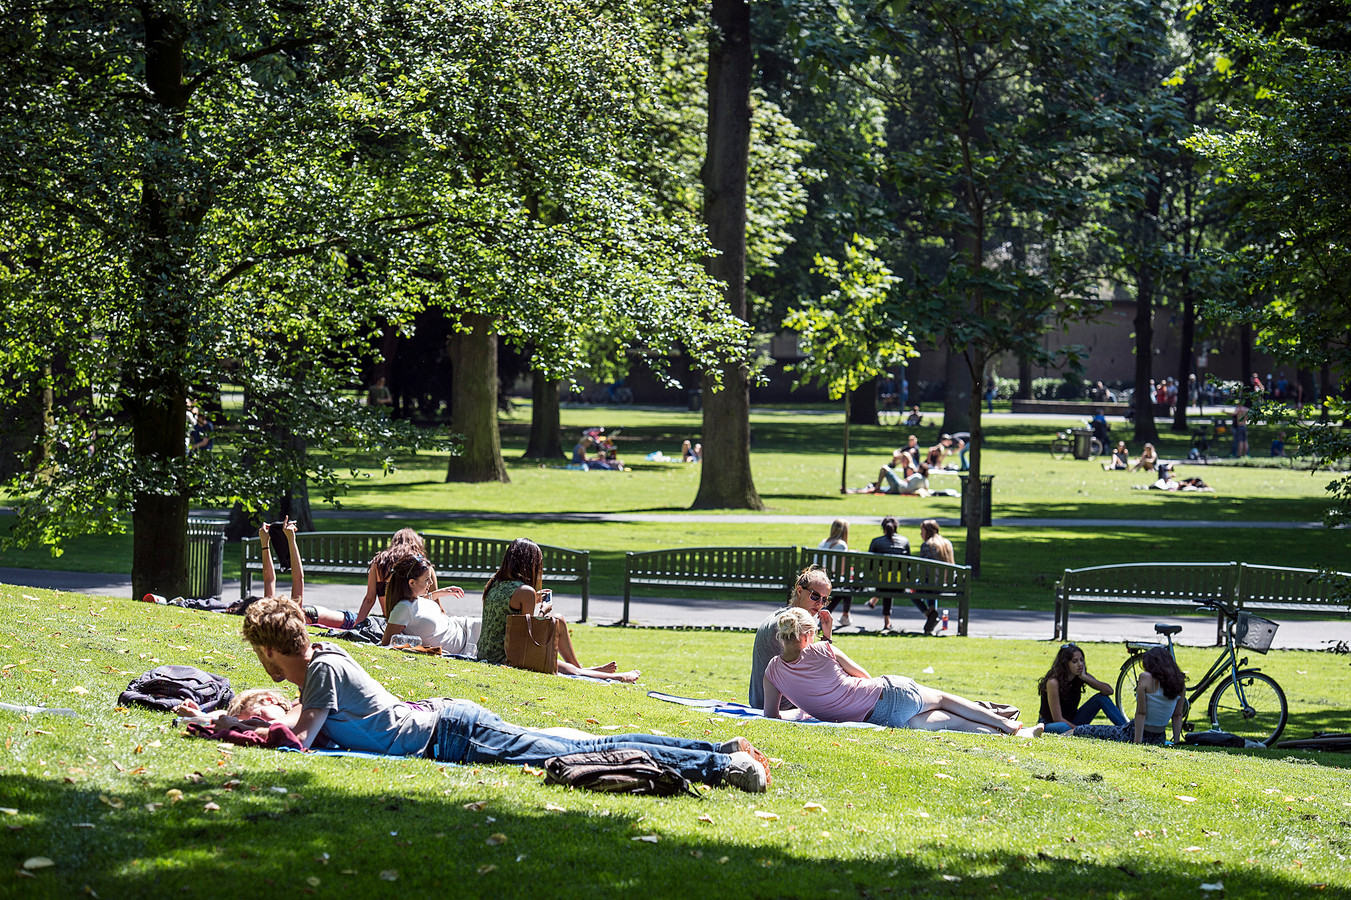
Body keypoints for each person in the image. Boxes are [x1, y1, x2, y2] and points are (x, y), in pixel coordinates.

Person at [233, 598, 768, 790]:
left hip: (454, 736)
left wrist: (226, 728)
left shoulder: (321, 672)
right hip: (451, 729)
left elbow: (297, 741)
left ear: (272, 650)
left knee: (578, 752)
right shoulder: (320, 669)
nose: (261, 663)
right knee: (577, 742)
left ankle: (720, 767)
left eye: (261, 652)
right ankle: (717, 753)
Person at [763, 608, 1039, 736]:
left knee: (937, 722)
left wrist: (810, 706)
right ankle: (1007, 725)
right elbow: (864, 677)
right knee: (942, 699)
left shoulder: (773, 671)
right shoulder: (825, 649)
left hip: (883, 719)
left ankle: (1005, 733)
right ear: (809, 635)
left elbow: (771, 716)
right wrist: (829, 638)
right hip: (889, 694)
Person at [479, 538, 639, 681]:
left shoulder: (494, 583)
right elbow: (527, 637)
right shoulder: (525, 591)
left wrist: (532, 601)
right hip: (506, 657)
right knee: (562, 658)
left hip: (486, 653)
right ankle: (617, 677)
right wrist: (542, 611)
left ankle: (580, 669)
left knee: (558, 620)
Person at [748, 565, 834, 711]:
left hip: (759, 700)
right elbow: (821, 670)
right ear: (800, 591)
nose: (819, 604)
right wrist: (827, 637)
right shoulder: (796, 625)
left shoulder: (783, 617)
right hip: (782, 704)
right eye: (815, 596)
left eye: (824, 600)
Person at [1069, 647, 1185, 744]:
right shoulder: (1179, 682)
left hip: (1133, 733)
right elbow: (1177, 715)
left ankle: (1062, 734)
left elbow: (1141, 713)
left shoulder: (1146, 677)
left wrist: (1137, 742)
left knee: (1085, 730)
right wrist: (1176, 742)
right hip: (1159, 738)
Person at [379, 554, 480, 655]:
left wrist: (441, 592)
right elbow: (387, 644)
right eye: (426, 579)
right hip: (467, 645)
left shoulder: (415, 600)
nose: (431, 582)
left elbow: (418, 607)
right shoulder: (403, 608)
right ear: (412, 583)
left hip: (466, 628)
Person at [1037, 643, 1127, 735]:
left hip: (1072, 720)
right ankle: (1077, 731)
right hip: (1051, 724)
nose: (1080, 664)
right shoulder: (1053, 682)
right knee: (1063, 727)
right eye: (1074, 661)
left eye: (1081, 660)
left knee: (1101, 698)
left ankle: (1127, 730)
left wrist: (1085, 677)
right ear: (1065, 664)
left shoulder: (1080, 676)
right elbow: (1057, 719)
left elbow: (1109, 691)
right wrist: (1082, 730)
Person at [352, 528, 433, 625]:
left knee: (346, 617)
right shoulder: (420, 565)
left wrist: (356, 626)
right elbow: (434, 601)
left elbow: (369, 599)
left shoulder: (379, 562)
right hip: (416, 622)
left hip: (392, 621)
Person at [864, 516, 910, 632]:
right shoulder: (904, 542)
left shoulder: (876, 542)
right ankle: (886, 621)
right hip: (900, 583)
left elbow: (869, 566)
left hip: (881, 583)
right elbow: (908, 565)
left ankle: (875, 603)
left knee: (885, 582)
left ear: (883, 528)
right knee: (889, 582)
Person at [914, 519, 953, 634]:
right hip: (946, 584)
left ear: (927, 531)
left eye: (922, 531)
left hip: (931, 584)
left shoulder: (927, 545)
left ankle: (929, 613)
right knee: (931, 585)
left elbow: (923, 571)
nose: (921, 534)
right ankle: (932, 613)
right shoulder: (947, 543)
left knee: (914, 589)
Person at [816, 519, 852, 627]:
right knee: (847, 587)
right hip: (832, 579)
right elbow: (841, 571)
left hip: (819, 577)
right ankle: (842, 616)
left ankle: (844, 616)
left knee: (844, 587)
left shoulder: (822, 543)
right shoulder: (842, 545)